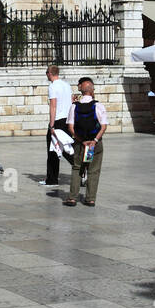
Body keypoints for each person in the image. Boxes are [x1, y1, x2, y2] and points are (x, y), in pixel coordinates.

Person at [66, 77, 107, 208]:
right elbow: (103, 126)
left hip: (80, 143)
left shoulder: (74, 106)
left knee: (77, 168)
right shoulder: (98, 105)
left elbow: (71, 128)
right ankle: (90, 199)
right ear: (92, 90)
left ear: (81, 90)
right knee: (93, 170)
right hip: (95, 144)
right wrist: (94, 141)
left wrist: (82, 141)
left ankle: (72, 198)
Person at [44, 64, 73, 187]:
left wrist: (51, 125)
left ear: (50, 73)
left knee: (53, 149)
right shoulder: (66, 85)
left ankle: (52, 179)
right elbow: (72, 102)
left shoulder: (53, 86)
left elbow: (53, 106)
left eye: (46, 72)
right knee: (65, 146)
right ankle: (81, 168)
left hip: (58, 120)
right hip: (68, 119)